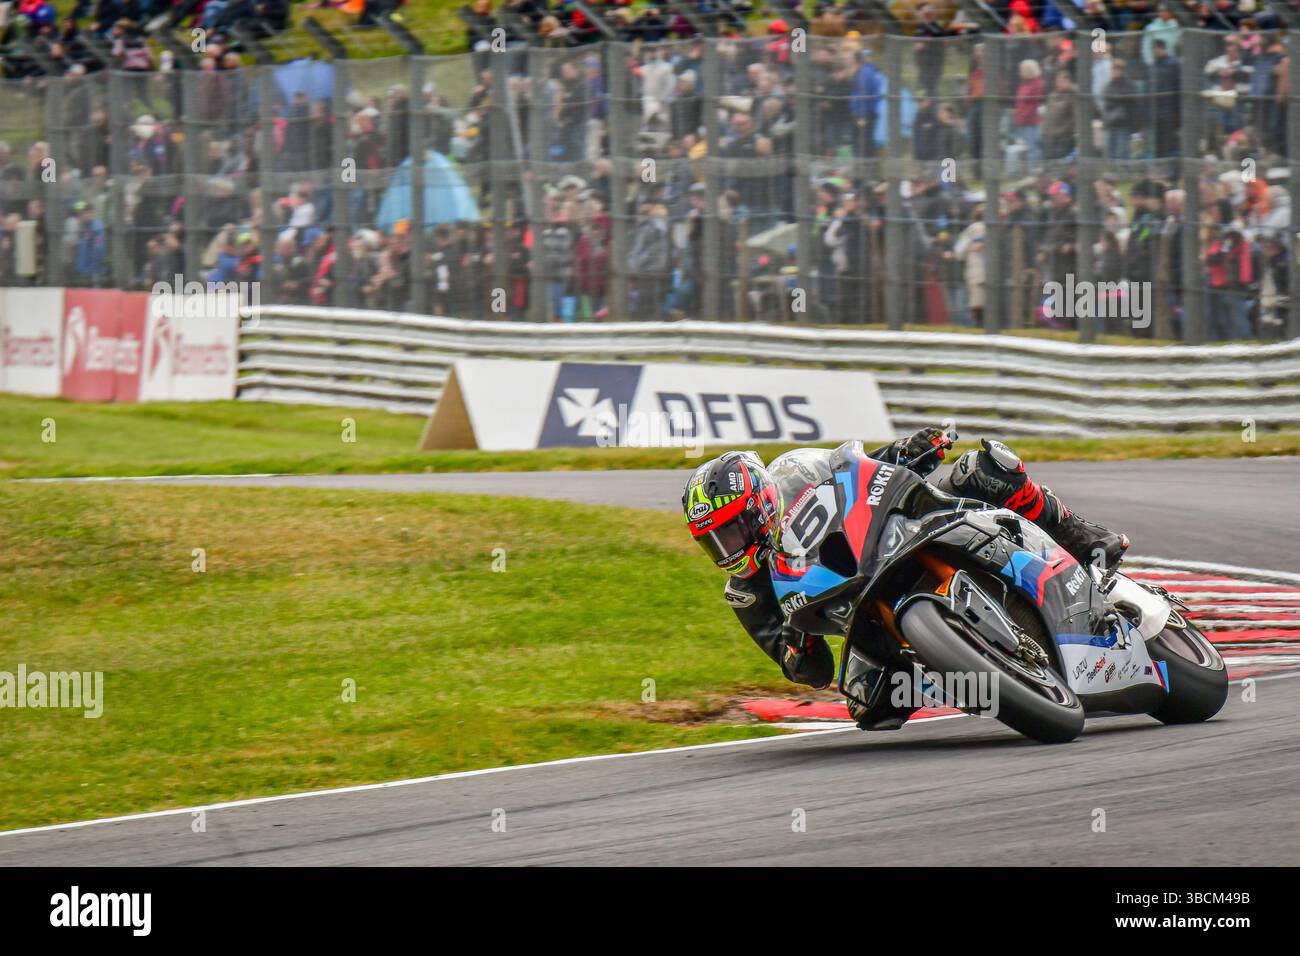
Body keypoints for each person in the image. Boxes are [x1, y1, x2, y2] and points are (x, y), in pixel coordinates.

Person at [681, 428, 1129, 730]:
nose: (728, 549)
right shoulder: (747, 592)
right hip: (858, 610)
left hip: (896, 531)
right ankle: (978, 671)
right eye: (714, 542)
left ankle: (1083, 536)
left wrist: (909, 449)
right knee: (869, 703)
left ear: (759, 505)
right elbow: (808, 671)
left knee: (984, 469)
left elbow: (854, 468)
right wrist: (798, 639)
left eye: (732, 530)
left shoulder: (794, 476)